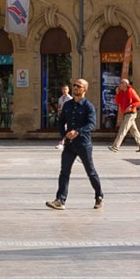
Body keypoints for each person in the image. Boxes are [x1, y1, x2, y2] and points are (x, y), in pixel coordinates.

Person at [46, 79, 104, 209]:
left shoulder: (88, 106)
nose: (76, 88)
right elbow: (61, 121)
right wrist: (63, 135)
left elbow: (91, 124)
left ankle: (99, 196)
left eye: (79, 86)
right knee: (64, 172)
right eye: (74, 85)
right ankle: (60, 200)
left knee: (91, 171)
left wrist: (77, 131)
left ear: (85, 89)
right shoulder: (67, 105)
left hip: (83, 143)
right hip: (70, 145)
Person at [113, 79, 140, 156]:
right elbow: (117, 102)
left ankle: (115, 146)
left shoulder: (131, 91)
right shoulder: (121, 92)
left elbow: (139, 101)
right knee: (134, 131)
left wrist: (131, 105)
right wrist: (117, 93)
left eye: (121, 83)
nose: (119, 84)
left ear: (125, 84)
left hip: (131, 113)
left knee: (123, 129)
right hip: (126, 113)